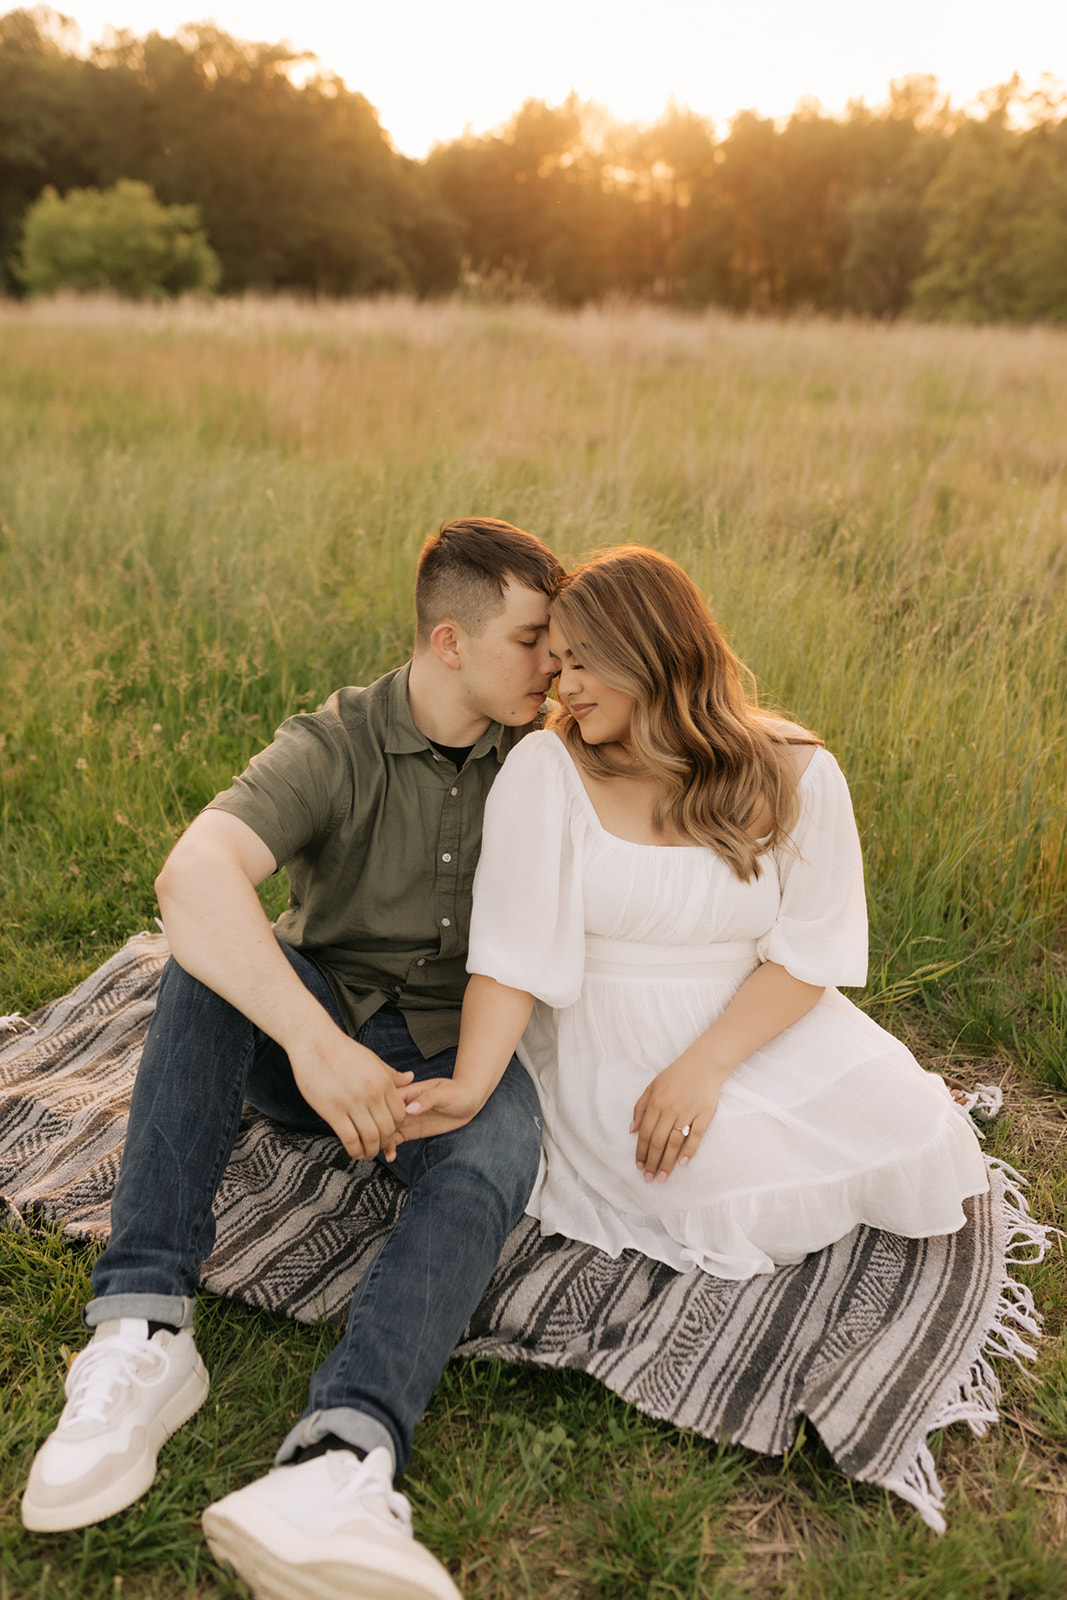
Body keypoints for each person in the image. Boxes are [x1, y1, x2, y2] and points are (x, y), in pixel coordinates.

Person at [21, 518, 565, 1600]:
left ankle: (341, 1455)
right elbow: (195, 873)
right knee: (205, 958)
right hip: (312, 1038)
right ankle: (143, 1330)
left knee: (503, 1144)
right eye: (532, 639)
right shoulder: (337, 740)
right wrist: (314, 1045)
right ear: (448, 641)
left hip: (448, 1061)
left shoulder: (546, 750)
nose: (556, 663)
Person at [408, 545, 988, 1280]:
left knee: (917, 1134)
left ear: (651, 653)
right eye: (558, 664)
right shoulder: (547, 771)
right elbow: (510, 958)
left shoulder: (796, 769)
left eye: (584, 662)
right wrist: (468, 1085)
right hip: (611, 1039)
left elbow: (807, 954)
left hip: (754, 1024)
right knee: (721, 1193)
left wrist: (706, 1065)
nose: (565, 688)